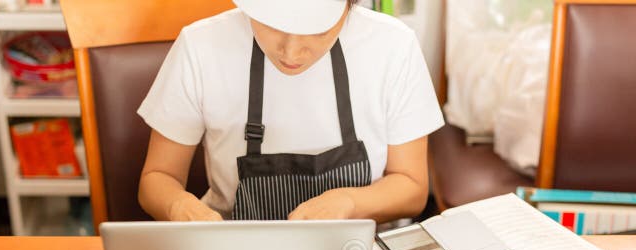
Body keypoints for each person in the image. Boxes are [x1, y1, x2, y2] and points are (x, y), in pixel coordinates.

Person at [137, 0, 444, 222]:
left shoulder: (393, 46)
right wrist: (179, 205)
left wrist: (349, 202)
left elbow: (412, 186)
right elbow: (157, 177)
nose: (292, 51)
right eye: (273, 25)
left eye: (317, 30)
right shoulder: (201, 46)